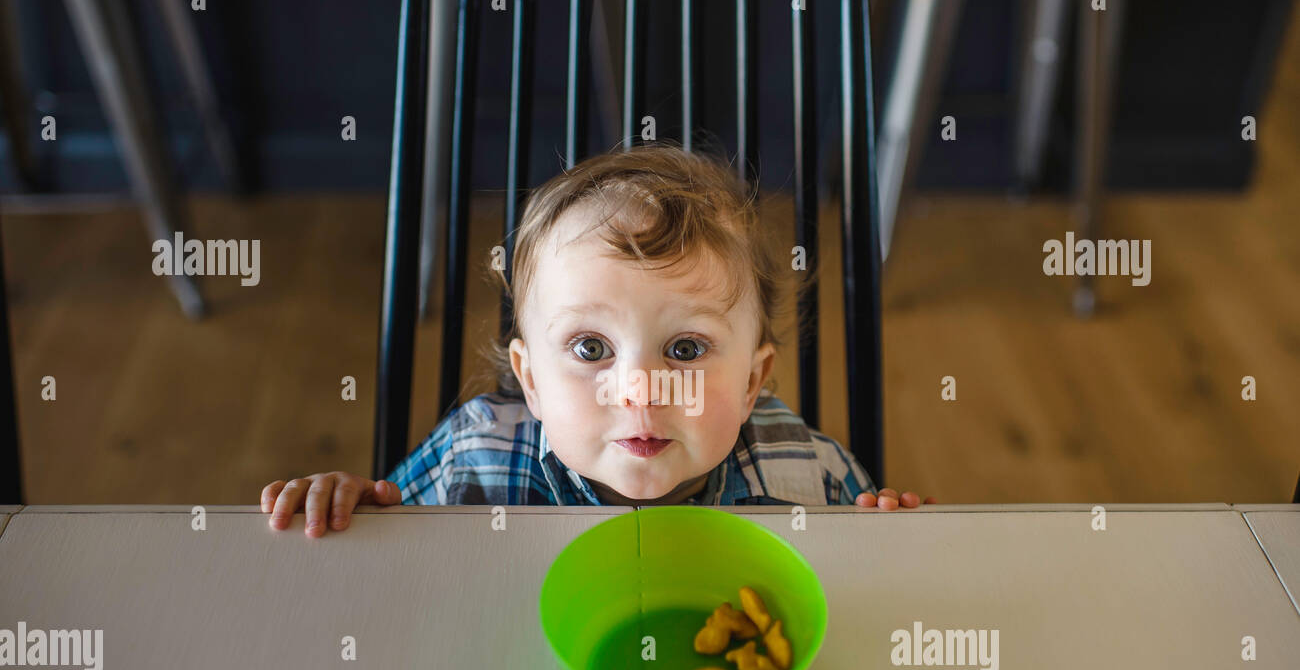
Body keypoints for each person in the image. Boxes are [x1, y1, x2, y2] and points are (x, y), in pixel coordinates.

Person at [262, 144, 934, 536]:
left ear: (753, 382)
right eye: (590, 349)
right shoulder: (476, 464)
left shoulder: (808, 477)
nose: (639, 387)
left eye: (687, 349)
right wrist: (353, 506)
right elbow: (394, 559)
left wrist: (903, 536)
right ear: (529, 379)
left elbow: (875, 591)